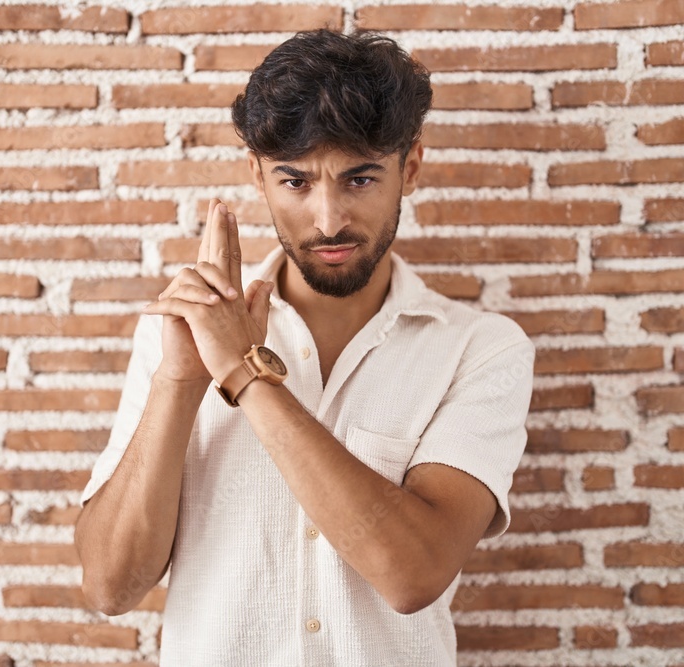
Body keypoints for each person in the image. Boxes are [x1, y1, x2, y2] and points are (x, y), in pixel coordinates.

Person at [74, 28, 535, 666]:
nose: (328, 220)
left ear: (413, 166)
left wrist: (244, 374)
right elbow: (109, 587)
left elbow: (412, 575)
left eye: (360, 179)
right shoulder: (177, 336)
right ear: (257, 175)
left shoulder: (481, 350)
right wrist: (182, 381)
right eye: (295, 182)